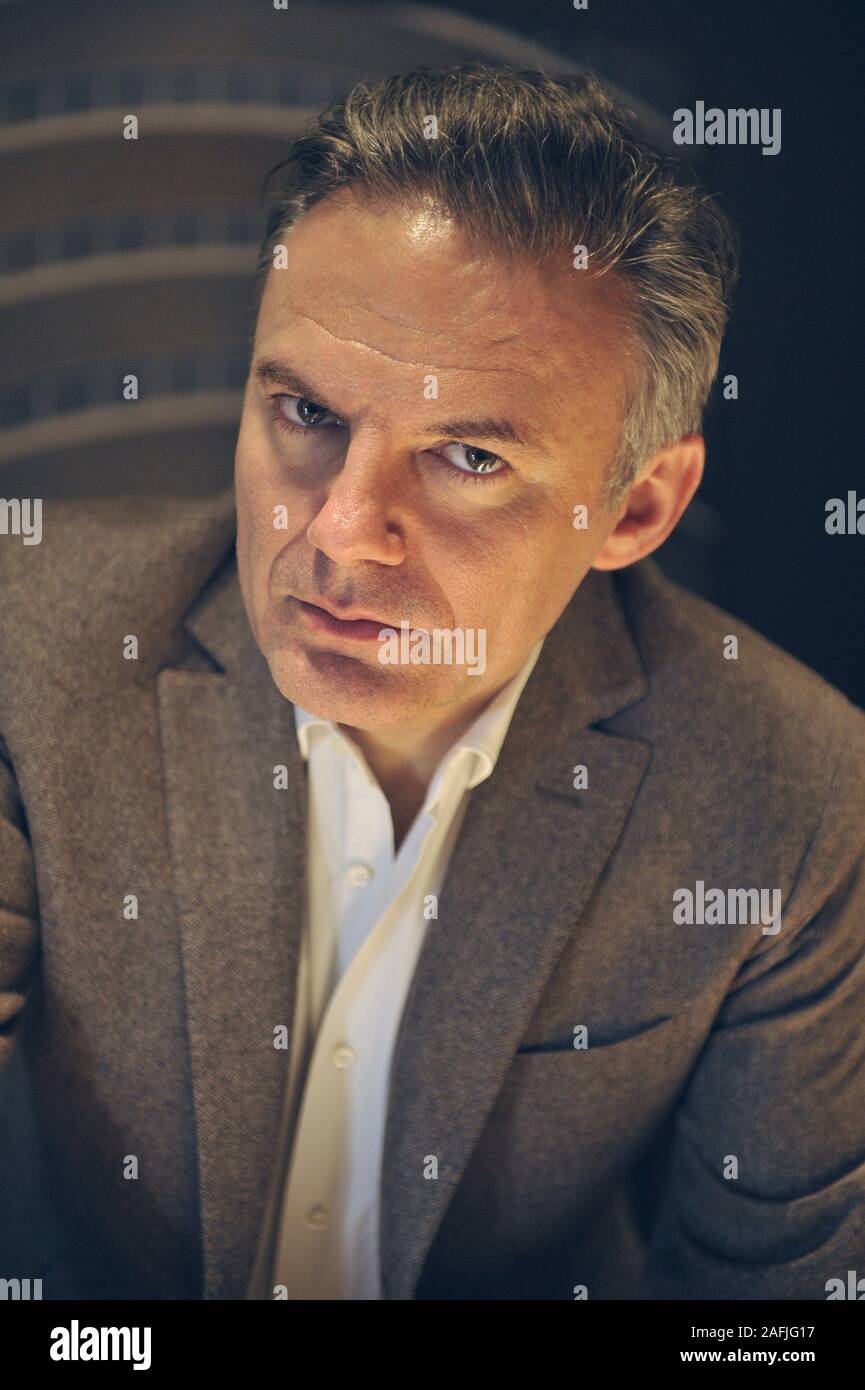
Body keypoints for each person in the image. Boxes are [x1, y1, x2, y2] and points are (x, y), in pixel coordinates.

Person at [1, 64, 863, 1302]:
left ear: (636, 505)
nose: (344, 534)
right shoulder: (24, 642)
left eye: (466, 455)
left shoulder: (793, 794)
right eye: (305, 410)